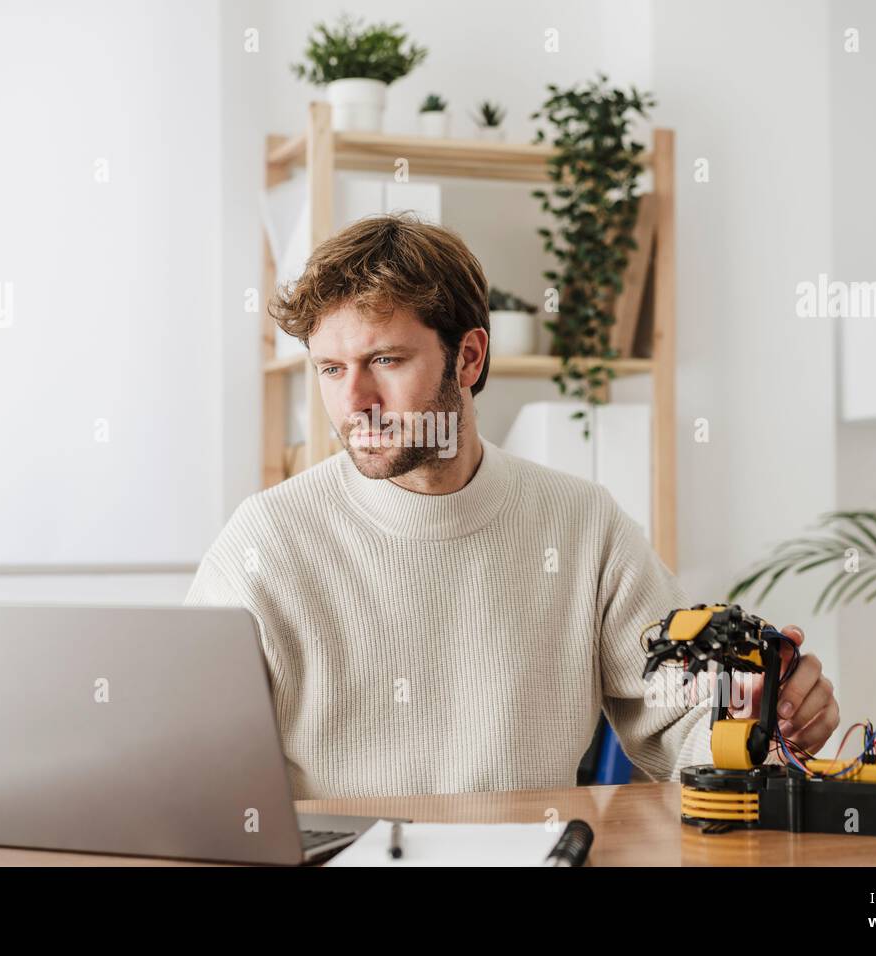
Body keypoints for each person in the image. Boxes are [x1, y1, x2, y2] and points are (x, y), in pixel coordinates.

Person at [185, 212, 838, 800]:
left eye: (384, 360)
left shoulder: (583, 525)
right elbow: (190, 765)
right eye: (330, 369)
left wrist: (768, 727)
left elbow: (681, 721)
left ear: (467, 357)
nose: (354, 400)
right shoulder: (266, 540)